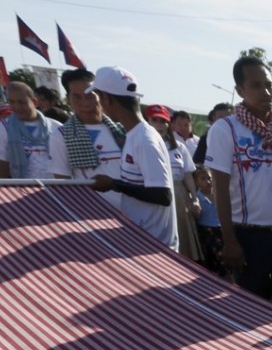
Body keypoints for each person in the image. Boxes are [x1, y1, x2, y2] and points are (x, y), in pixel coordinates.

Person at [205, 56, 272, 312]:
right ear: (240, 90)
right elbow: (220, 189)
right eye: (257, 85)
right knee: (253, 313)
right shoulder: (225, 129)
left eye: (270, 85)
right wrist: (229, 240)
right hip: (248, 238)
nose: (266, 91)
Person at [86, 66, 177, 250]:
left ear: (107, 98)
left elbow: (163, 195)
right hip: (144, 241)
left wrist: (113, 184)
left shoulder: (144, 139)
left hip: (154, 247)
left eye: (98, 98)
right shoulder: (136, 135)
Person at [50, 68, 125, 209]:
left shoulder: (122, 129)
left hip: (133, 212)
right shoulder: (61, 135)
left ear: (100, 95)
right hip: (92, 213)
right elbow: (62, 185)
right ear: (68, 98)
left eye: (90, 95)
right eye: (77, 97)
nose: (85, 103)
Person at [146, 103, 202, 262]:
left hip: (178, 197)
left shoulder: (180, 148)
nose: (159, 125)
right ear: (148, 121)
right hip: (153, 197)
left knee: (183, 243)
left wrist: (194, 198)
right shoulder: (142, 144)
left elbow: (188, 176)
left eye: (162, 121)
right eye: (155, 120)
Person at [0, 82, 62, 179]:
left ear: (34, 102)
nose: (17, 107)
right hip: (20, 190)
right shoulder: (3, 128)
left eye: (22, 102)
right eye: (12, 102)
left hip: (54, 190)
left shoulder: (56, 127)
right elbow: (2, 167)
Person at [193, 164, 226, 277]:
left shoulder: (218, 195)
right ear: (196, 182)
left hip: (220, 231)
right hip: (207, 233)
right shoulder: (198, 198)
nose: (208, 182)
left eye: (209, 178)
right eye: (203, 179)